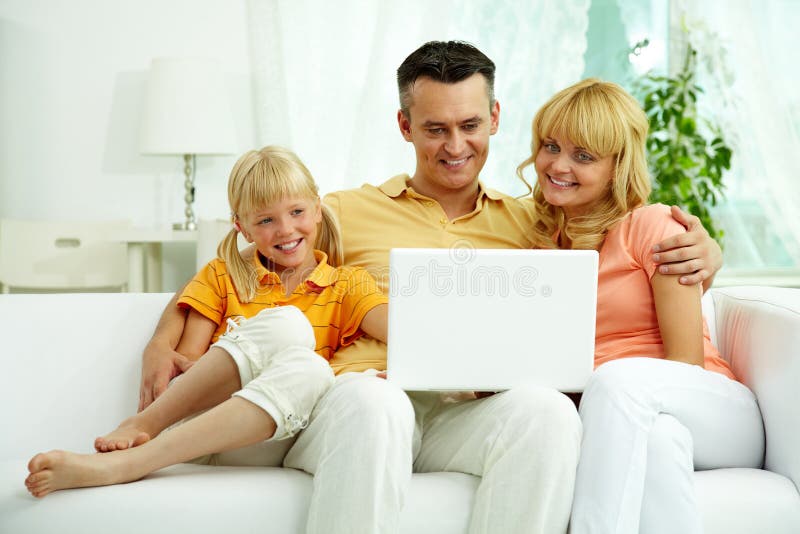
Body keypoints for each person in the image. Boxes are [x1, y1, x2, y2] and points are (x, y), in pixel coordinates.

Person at [131, 42, 723, 534]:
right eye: (435, 128)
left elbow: (619, 257)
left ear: (495, 119)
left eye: (470, 125)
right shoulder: (345, 211)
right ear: (404, 125)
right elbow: (245, 253)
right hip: (358, 402)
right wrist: (163, 339)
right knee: (378, 401)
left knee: (546, 412)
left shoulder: (536, 225)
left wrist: (708, 254)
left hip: (463, 414)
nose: (455, 145)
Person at [24, 146, 391, 504]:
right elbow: (189, 369)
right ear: (242, 227)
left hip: (276, 437)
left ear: (318, 210)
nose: (285, 229)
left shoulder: (348, 285)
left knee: (312, 370)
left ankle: (126, 464)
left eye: (297, 211)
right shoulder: (223, 276)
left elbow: (401, 333)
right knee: (288, 326)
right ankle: (144, 425)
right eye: (265, 220)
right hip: (208, 429)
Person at [515, 78, 764, 534]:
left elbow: (685, 365)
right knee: (659, 441)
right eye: (551, 146)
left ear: (616, 167)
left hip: (715, 410)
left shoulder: (653, 226)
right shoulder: (538, 252)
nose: (558, 164)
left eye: (583, 156)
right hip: (637, 419)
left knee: (617, 381)